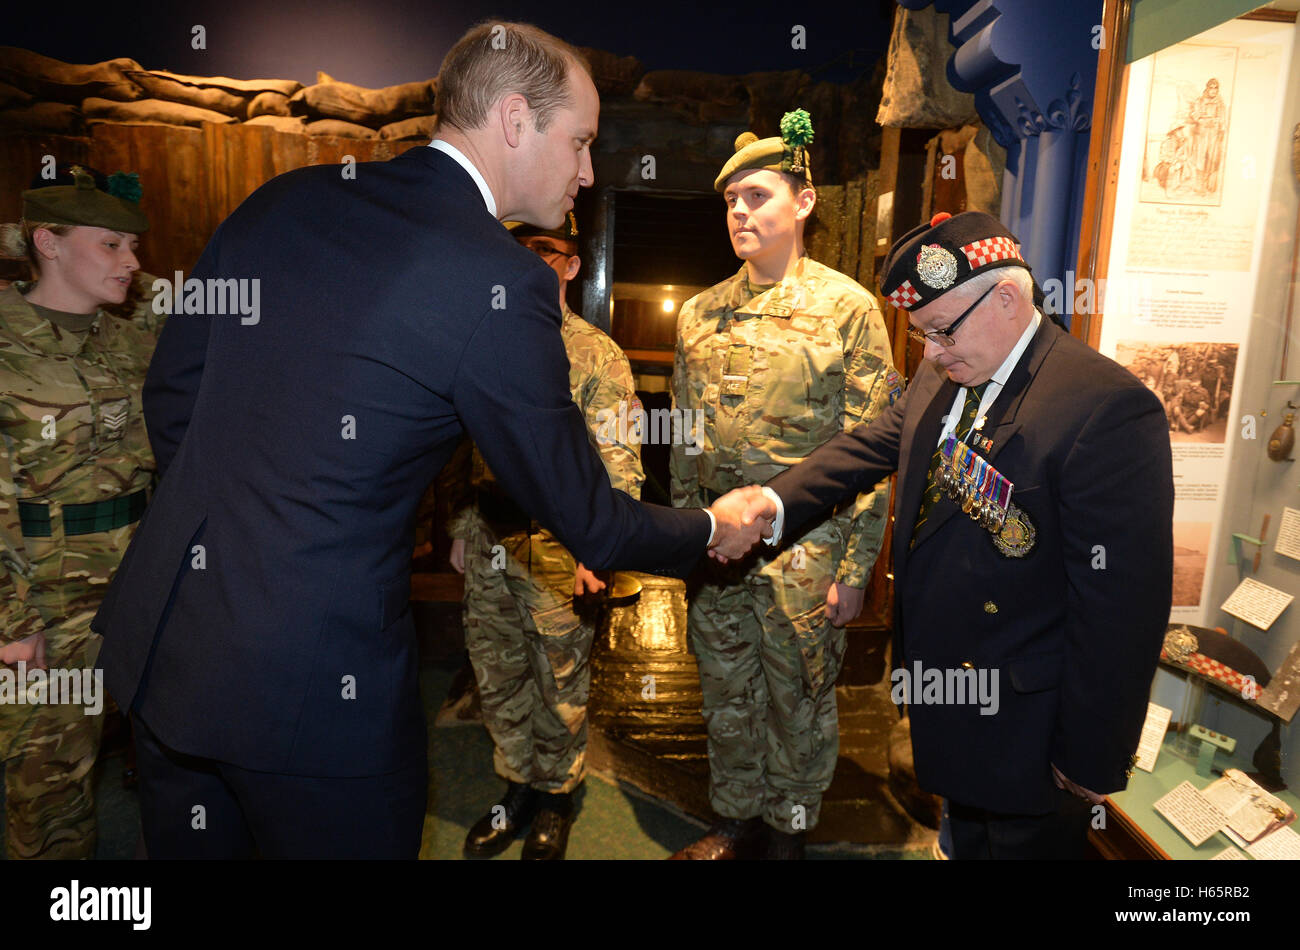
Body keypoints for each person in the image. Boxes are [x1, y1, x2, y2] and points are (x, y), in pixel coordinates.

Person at [91, 20, 771, 860]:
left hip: (165, 645)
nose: (589, 172)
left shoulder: (282, 201)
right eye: (583, 141)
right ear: (516, 120)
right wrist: (714, 527)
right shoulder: (498, 280)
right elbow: (589, 518)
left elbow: (175, 396)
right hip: (308, 685)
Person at [736, 211, 1174, 859]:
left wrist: (1092, 759)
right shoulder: (949, 372)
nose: (932, 353)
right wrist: (772, 500)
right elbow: (875, 442)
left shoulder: (1102, 408)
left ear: (1004, 298)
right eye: (922, 337)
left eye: (940, 331)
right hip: (951, 709)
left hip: (1033, 738)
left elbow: (1122, 610)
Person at [668, 111, 898, 860]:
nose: (740, 211)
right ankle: (736, 818)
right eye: (731, 200)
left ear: (803, 203)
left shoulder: (849, 311)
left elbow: (874, 447)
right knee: (726, 694)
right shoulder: (701, 314)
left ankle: (789, 830)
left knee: (798, 700)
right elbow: (685, 440)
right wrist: (683, 540)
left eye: (758, 196)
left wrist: (857, 569)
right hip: (717, 552)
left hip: (808, 553)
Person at [448, 213, 643, 860]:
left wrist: (602, 549)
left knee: (559, 683)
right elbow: (455, 445)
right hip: (488, 536)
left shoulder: (594, 355)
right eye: (517, 248)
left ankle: (556, 797)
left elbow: (620, 463)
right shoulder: (482, 338)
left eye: (545, 249)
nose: (530, 261)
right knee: (497, 673)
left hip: (560, 546)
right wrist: (458, 525)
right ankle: (516, 787)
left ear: (572, 263)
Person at [0, 163, 156, 858]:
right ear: (49, 243)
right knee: (52, 785)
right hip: (48, 598)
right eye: (112, 245)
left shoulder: (135, 339)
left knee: (175, 756)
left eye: (133, 247)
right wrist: (13, 624)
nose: (133, 262)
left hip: (144, 585)